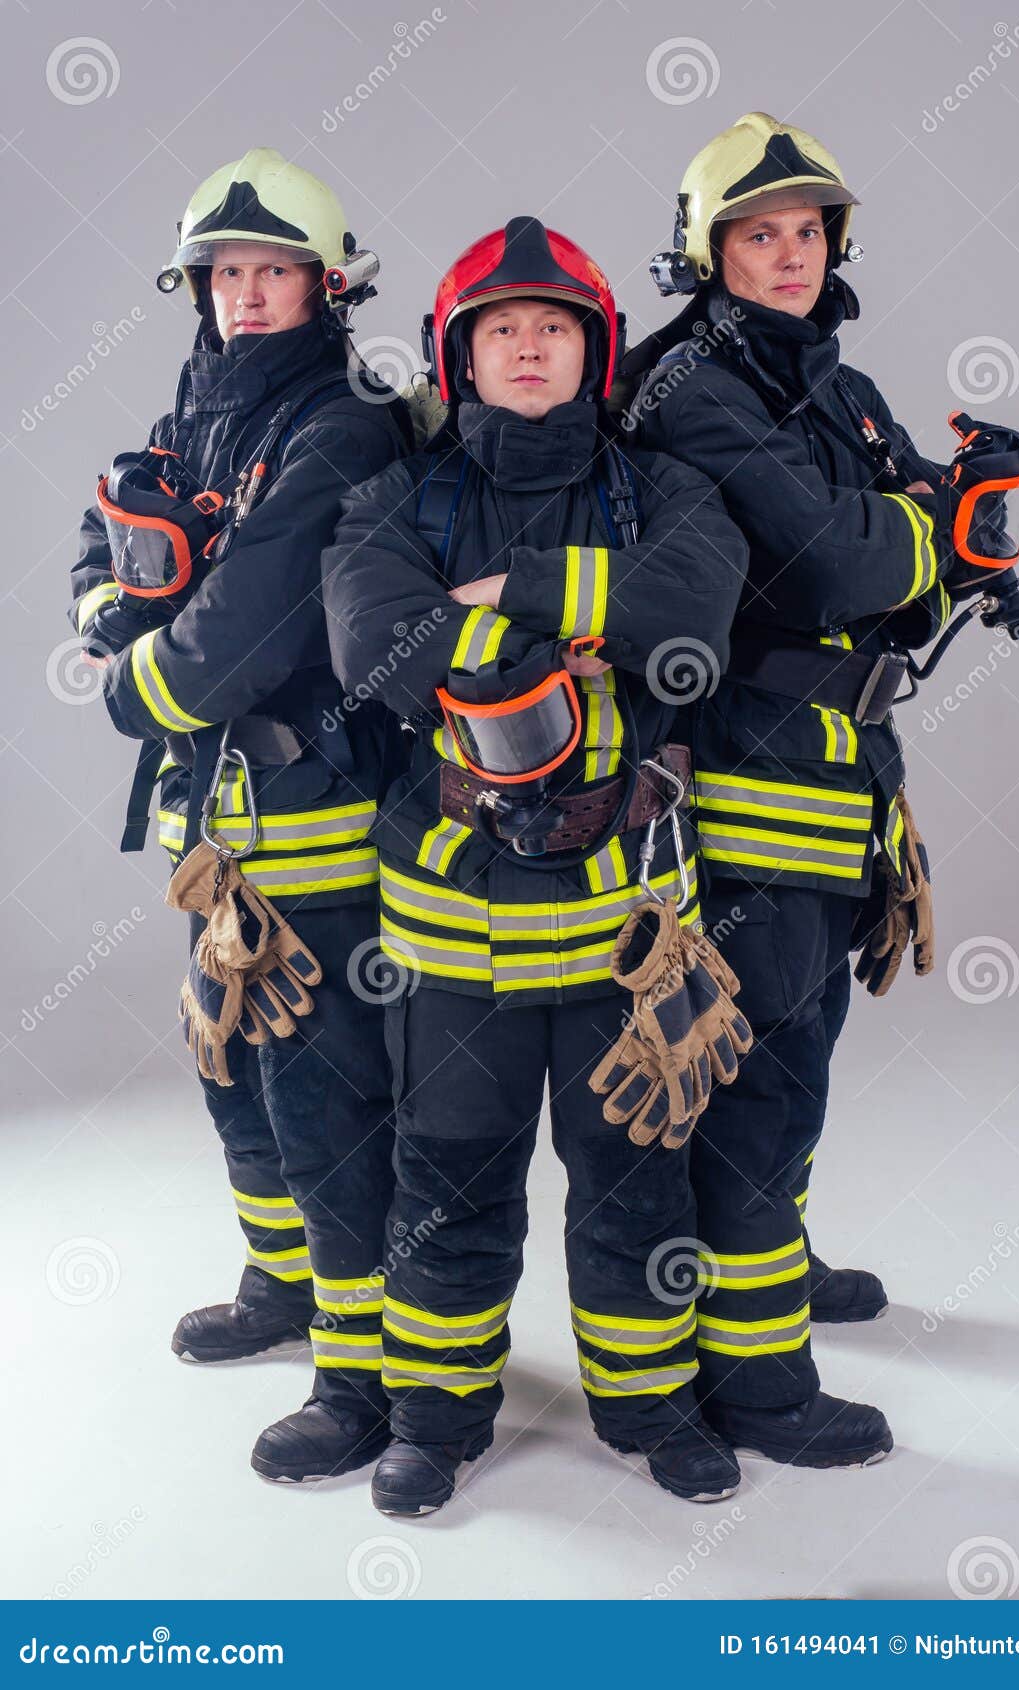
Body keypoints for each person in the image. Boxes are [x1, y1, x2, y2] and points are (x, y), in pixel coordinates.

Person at [322, 216, 750, 1515]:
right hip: (459, 931)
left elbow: (693, 606)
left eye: (552, 326)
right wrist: (585, 607)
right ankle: (436, 1420)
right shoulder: (399, 497)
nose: (526, 345)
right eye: (500, 327)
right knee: (444, 1187)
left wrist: (516, 591)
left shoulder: (662, 489)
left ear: (592, 351)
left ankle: (651, 1405)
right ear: (460, 355)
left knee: (638, 1181)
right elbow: (372, 640)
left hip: (628, 926)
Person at [627, 112, 1019, 1469]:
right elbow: (845, 564)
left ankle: (764, 1266)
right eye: (758, 233)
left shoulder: (828, 385)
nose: (789, 254)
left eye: (807, 230)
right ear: (707, 250)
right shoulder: (687, 389)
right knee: (757, 1079)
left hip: (838, 777)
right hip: (745, 782)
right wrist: (933, 529)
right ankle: (758, 1382)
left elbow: (894, 530)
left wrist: (956, 516)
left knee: (800, 1057)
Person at [69, 147, 412, 1481]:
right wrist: (110, 596)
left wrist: (127, 679)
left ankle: (367, 1374)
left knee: (327, 1108)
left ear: (328, 286)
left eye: (274, 272)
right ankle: (283, 1290)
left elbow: (238, 635)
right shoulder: (199, 411)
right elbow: (106, 531)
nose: (247, 294)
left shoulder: (342, 426)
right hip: (218, 845)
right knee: (235, 1085)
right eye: (226, 273)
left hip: (319, 833)